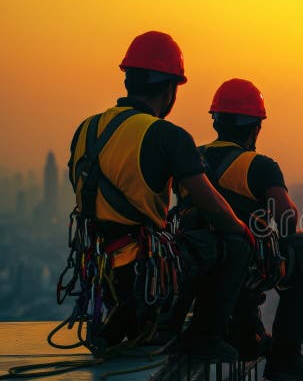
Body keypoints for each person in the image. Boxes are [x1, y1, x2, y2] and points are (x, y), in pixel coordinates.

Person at [67, 31, 253, 362]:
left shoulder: (87, 128)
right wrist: (243, 230)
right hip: (146, 269)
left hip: (100, 269)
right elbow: (213, 207)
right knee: (234, 244)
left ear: (128, 79)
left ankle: (127, 318)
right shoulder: (166, 135)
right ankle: (205, 338)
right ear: (170, 89)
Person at [179, 78, 303, 381]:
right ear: (256, 127)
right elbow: (287, 216)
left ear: (216, 121)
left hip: (195, 264)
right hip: (244, 265)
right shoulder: (259, 166)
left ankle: (243, 326)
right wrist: (277, 245)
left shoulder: (192, 159)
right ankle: (287, 355)